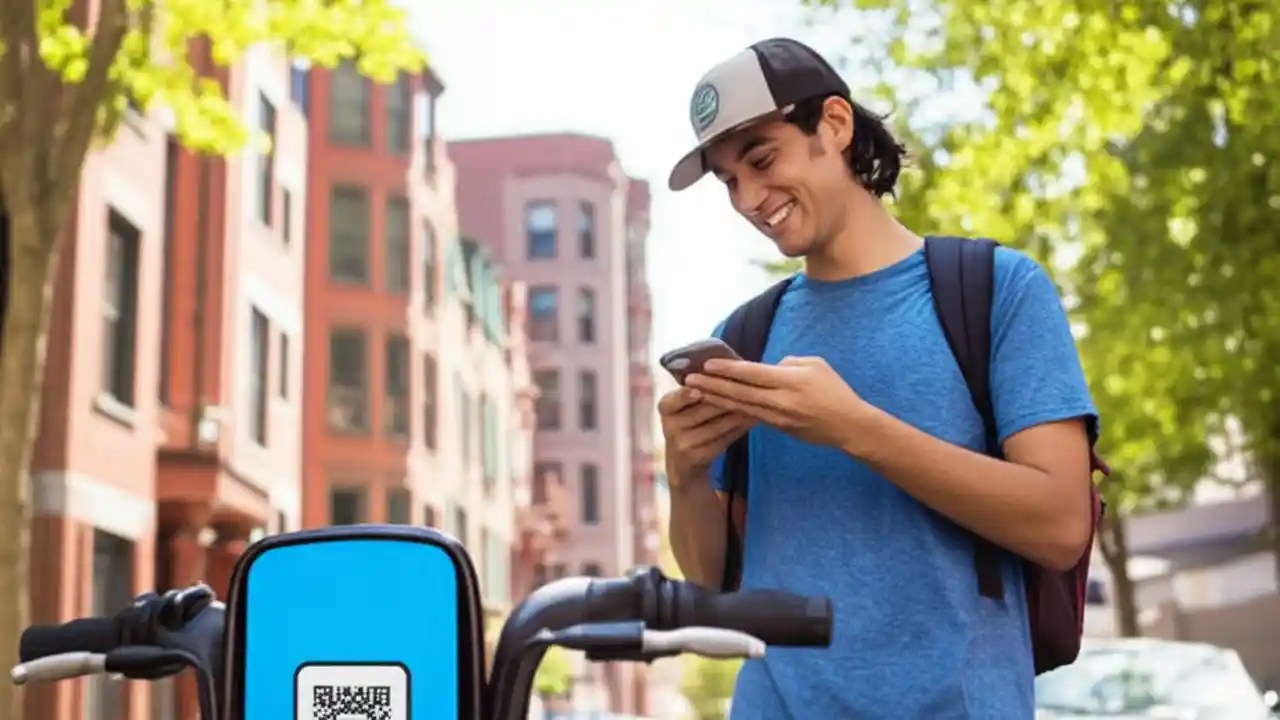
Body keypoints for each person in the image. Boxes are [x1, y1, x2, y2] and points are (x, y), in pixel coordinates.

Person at [659, 37, 1100, 718]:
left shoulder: (996, 293)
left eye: (762, 160)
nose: (748, 198)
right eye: (729, 181)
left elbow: (1061, 525)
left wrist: (853, 428)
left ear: (834, 124)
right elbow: (715, 589)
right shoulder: (746, 339)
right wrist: (685, 475)